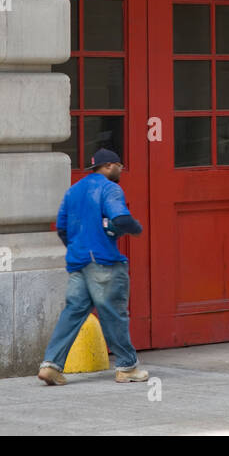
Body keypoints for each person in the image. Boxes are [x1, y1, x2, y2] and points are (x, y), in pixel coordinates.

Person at [37, 149, 149, 385]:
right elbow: (120, 219)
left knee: (72, 312)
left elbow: (61, 228)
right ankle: (127, 366)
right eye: (120, 165)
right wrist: (136, 229)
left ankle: (51, 365)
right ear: (108, 166)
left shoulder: (73, 191)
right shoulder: (109, 188)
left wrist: (77, 247)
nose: (121, 169)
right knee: (114, 313)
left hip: (78, 262)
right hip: (104, 261)